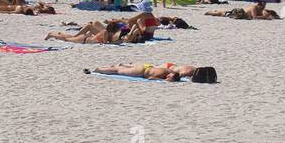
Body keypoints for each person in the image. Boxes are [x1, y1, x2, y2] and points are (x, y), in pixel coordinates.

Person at [86, 63, 216, 83]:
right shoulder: (186, 72)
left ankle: (121, 64)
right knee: (118, 71)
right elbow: (151, 78)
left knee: (121, 68)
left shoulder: (189, 70)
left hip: (150, 68)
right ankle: (97, 70)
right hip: (145, 70)